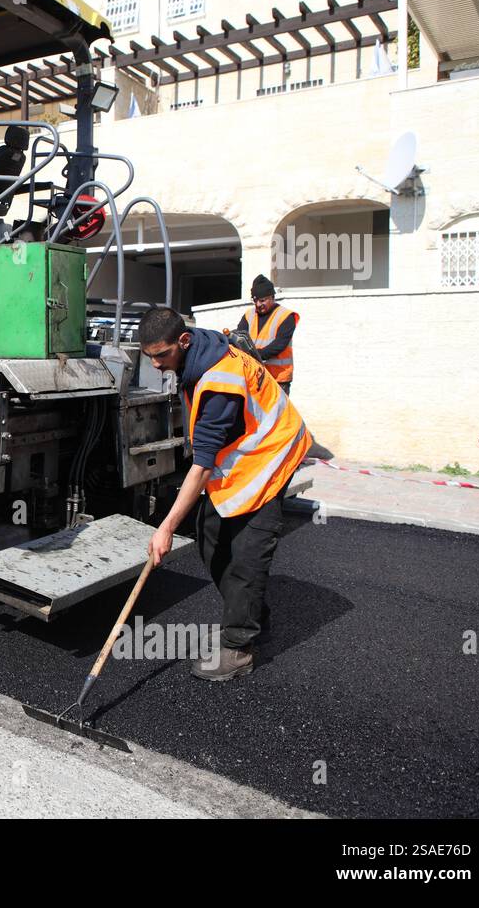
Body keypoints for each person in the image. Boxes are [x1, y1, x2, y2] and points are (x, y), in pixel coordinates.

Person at [138, 307, 312, 681]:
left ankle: (238, 648)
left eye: (161, 355)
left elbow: (201, 465)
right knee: (210, 538)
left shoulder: (221, 381)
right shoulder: (199, 348)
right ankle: (251, 612)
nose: (155, 365)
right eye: (148, 356)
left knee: (247, 551)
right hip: (244, 453)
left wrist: (166, 526)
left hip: (272, 453)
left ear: (183, 341)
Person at [236, 274, 297, 394]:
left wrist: (255, 354)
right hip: (255, 376)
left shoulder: (286, 316)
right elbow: (239, 337)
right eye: (255, 300)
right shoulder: (249, 315)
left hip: (278, 378)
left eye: (262, 300)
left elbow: (279, 345)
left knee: (278, 413)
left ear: (272, 297)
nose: (258, 304)